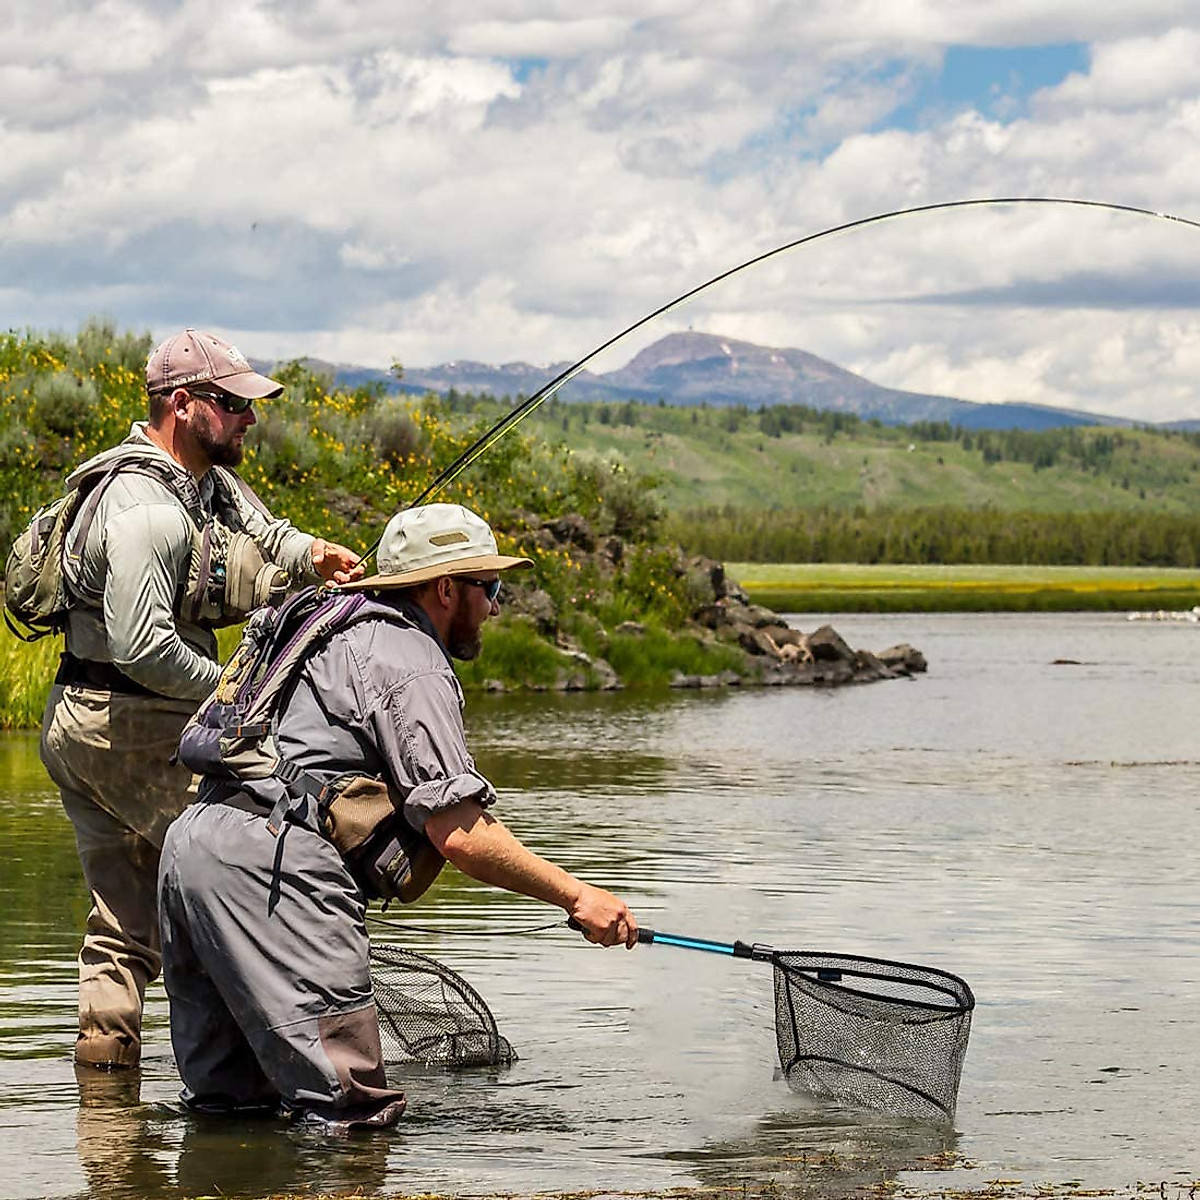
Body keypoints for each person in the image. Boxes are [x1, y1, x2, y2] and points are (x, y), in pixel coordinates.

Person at [157, 502, 638, 1130]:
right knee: (349, 1116)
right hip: (271, 868)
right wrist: (577, 896)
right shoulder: (408, 654)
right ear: (444, 589)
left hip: (193, 844)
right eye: (488, 587)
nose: (495, 605)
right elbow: (459, 832)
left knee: (230, 1109)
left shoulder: (321, 621)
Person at [39, 328, 363, 1071]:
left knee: (123, 923)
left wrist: (316, 555)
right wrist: (235, 694)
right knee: (248, 859)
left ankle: (107, 1119)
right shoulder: (144, 507)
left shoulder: (206, 479)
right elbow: (144, 647)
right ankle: (264, 1074)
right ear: (183, 405)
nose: (250, 419)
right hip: (119, 724)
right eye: (234, 405)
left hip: (90, 721)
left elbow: (268, 533)